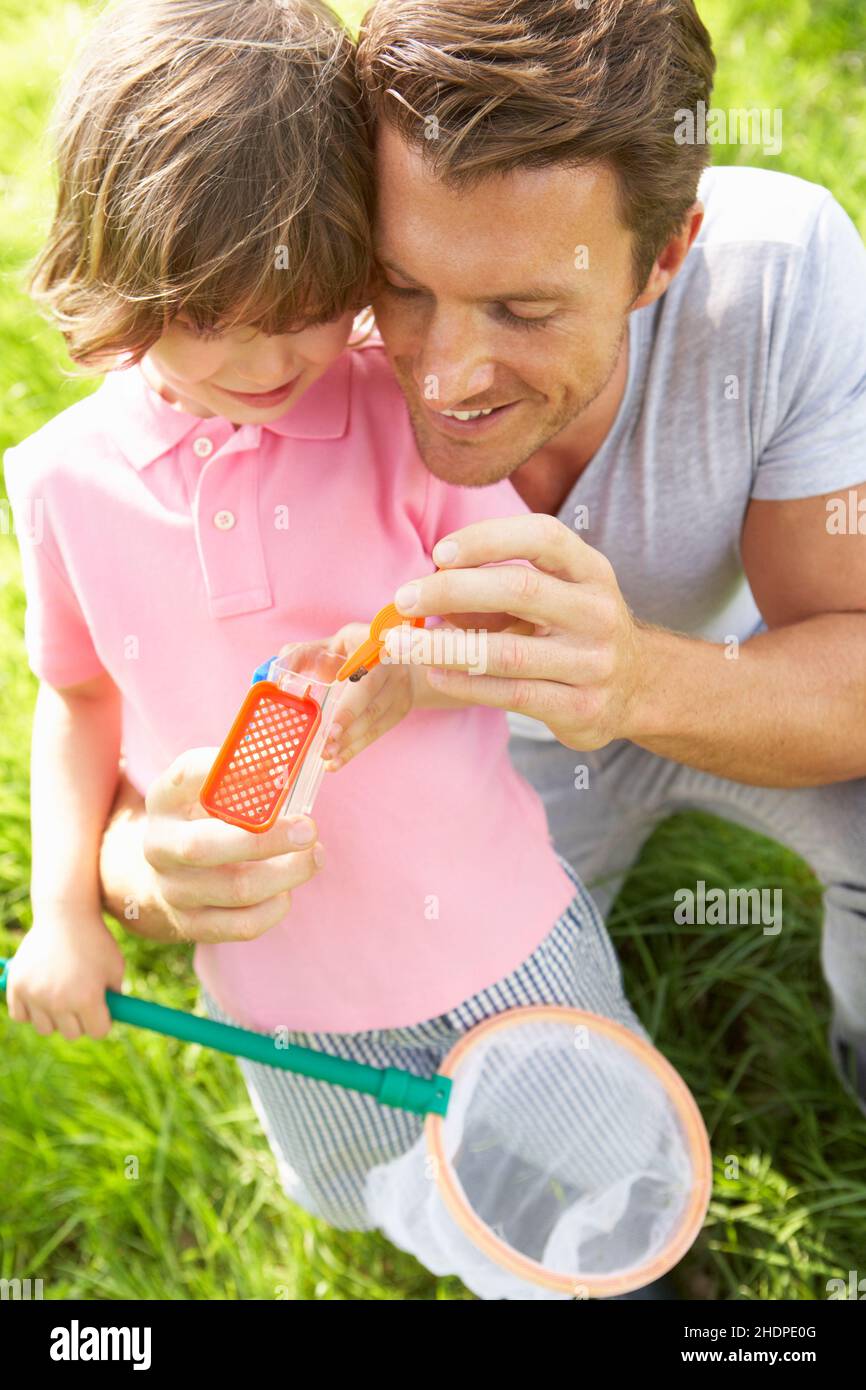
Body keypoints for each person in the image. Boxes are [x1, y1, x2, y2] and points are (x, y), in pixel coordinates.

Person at [3, 0, 652, 1271]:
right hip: (281, 999)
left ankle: (617, 1267)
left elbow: (508, 605)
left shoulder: (391, 410)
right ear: (121, 270)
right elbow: (77, 700)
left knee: (604, 1158)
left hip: (497, 931)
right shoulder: (62, 480)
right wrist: (65, 907)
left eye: (304, 302)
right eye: (208, 314)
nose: (263, 354)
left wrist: (402, 669)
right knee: (358, 1191)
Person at [350, 0, 866, 1112]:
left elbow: (853, 659)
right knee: (465, 1039)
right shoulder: (288, 320)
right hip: (470, 756)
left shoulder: (779, 274)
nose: (443, 374)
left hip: (709, 676)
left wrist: (632, 679)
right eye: (401, 286)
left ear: (664, 255)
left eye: (524, 308)